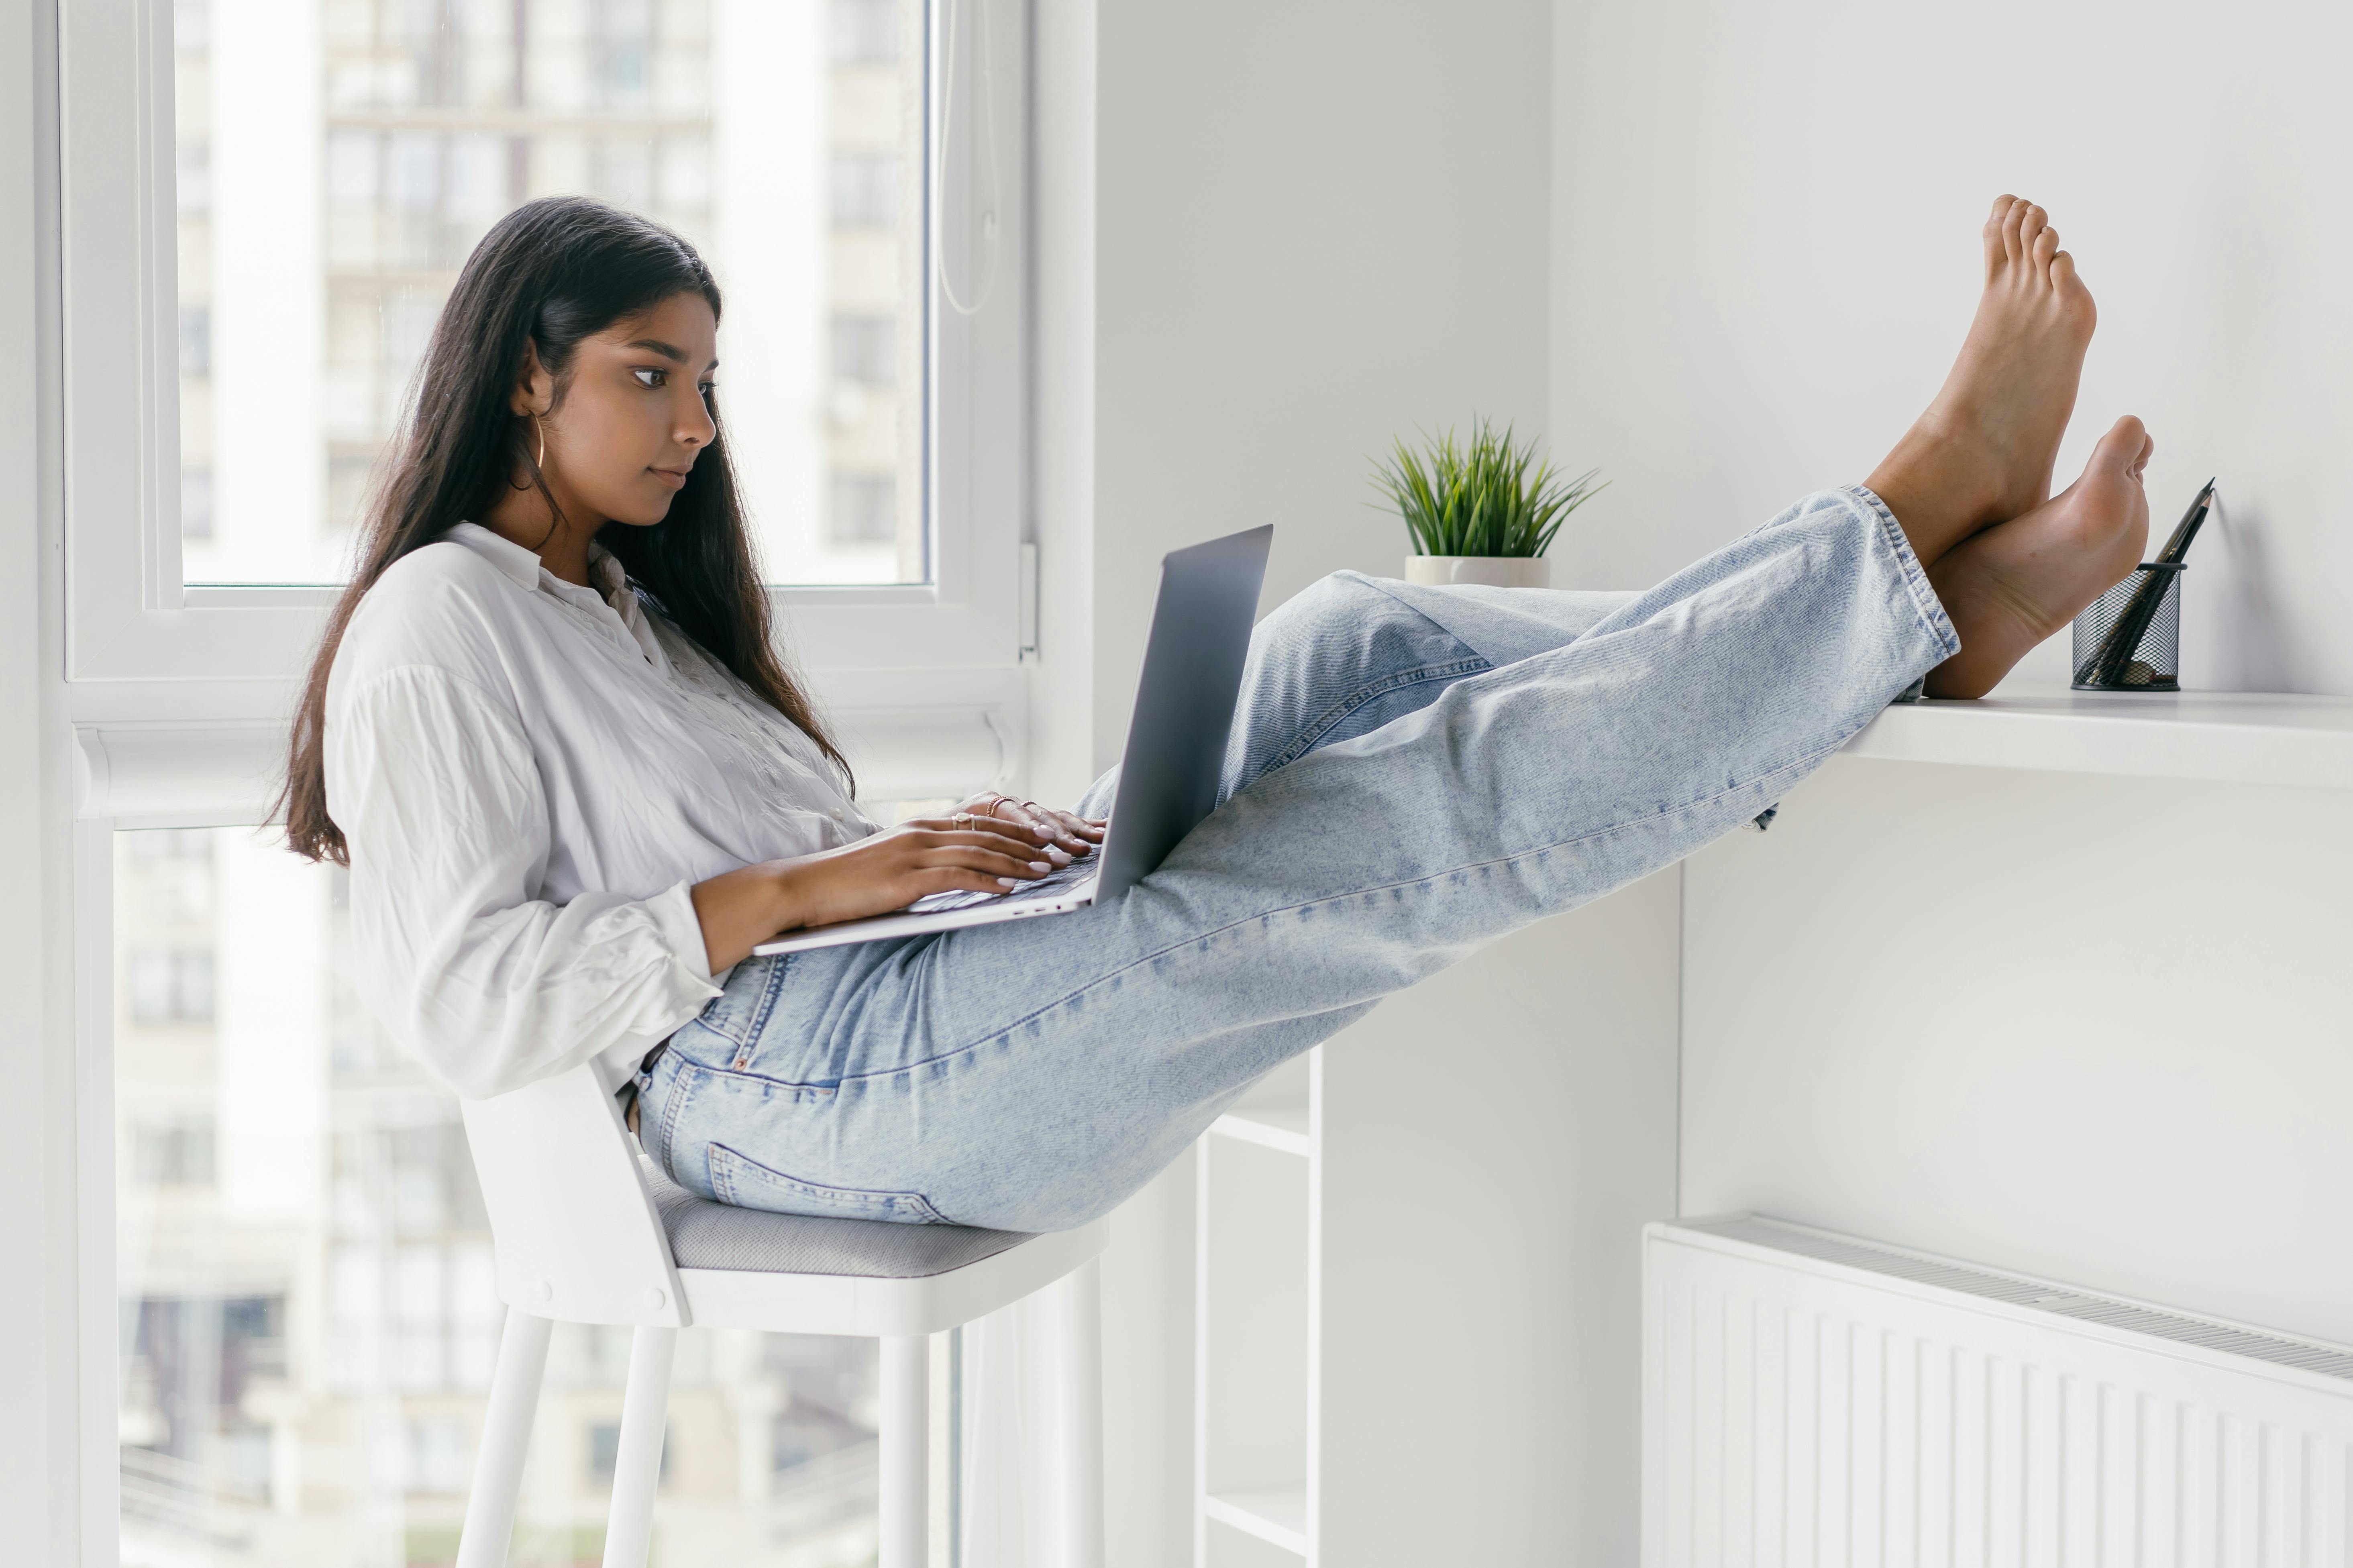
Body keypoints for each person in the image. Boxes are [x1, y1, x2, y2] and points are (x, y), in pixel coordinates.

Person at [287, 193, 2150, 1234]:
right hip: (777, 1087)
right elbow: (458, 1002)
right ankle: (1898, 540)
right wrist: (794, 894)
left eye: (705, 380)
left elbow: (741, 854)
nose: (696, 425)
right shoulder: (436, 621)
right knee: (1409, 811)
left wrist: (935, 860)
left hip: (884, 1001)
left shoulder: (620, 610)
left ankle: (1899, 627)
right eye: (651, 376)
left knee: (1350, 635)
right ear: (526, 375)